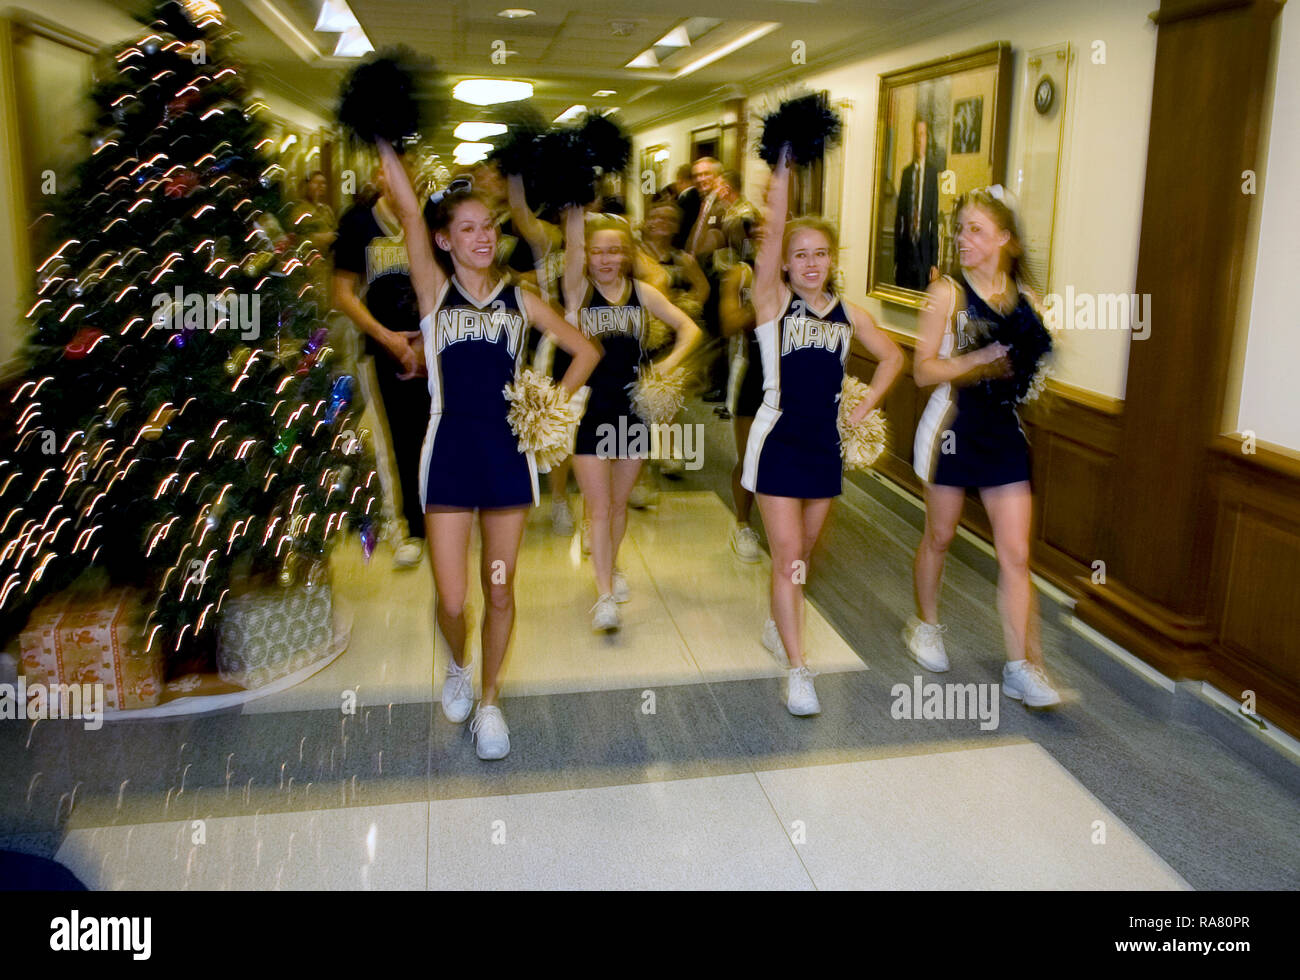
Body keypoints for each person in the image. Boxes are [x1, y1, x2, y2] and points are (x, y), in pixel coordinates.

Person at [376, 137, 599, 759]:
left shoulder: (521, 298)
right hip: (447, 452)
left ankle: (492, 701)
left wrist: (549, 404)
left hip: (506, 458)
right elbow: (411, 214)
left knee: (499, 587)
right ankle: (458, 664)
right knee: (452, 598)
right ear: (445, 241)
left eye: (487, 227)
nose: (482, 237)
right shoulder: (433, 291)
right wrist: (386, 142)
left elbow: (586, 351)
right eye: (466, 229)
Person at [744, 145, 904, 715]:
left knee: (803, 555)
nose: (810, 264)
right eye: (800, 255)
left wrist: (860, 412)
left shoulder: (850, 314)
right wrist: (782, 174)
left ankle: (775, 620)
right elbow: (769, 238)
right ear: (786, 264)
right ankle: (798, 667)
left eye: (820, 254)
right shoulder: (774, 302)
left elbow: (892, 359)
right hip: (776, 444)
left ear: (832, 260)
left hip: (823, 447)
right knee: (788, 554)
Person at [908, 187, 1061, 708]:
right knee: (941, 536)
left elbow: (1028, 372)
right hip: (950, 426)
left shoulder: (1030, 303)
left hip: (1001, 434)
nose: (962, 238)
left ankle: (1022, 666)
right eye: (960, 229)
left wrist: (1026, 380)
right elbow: (922, 370)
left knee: (1016, 555)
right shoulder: (947, 294)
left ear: (1004, 239)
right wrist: (979, 360)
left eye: (975, 229)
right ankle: (926, 624)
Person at [562, 205, 701, 631]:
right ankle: (604, 594)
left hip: (632, 409)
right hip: (589, 408)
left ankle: (613, 566)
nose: (606, 259)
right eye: (597, 252)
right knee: (598, 506)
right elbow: (569, 248)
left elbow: (690, 329)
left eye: (614, 251)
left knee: (619, 504)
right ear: (586, 255)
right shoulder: (577, 292)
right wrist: (574, 200)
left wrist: (669, 363)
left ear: (625, 254)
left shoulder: (644, 292)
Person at [332, 160, 435, 569]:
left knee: (436, 431)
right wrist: (387, 336)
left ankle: (439, 517)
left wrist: (427, 339)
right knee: (398, 438)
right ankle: (406, 526)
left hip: (431, 342)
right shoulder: (358, 222)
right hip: (384, 344)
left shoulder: (430, 218)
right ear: (378, 179)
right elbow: (343, 292)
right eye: (390, 175)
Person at [718, 216, 763, 563]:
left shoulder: (801, 273)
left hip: (794, 377)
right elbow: (729, 323)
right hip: (755, 373)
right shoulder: (742, 274)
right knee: (749, 456)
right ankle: (742, 523)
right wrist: (759, 302)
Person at [894, 118, 939, 291]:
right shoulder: (906, 174)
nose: (919, 139)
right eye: (916, 135)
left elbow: (934, 221)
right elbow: (899, 219)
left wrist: (934, 263)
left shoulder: (932, 174)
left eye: (922, 134)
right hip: (905, 252)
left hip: (924, 254)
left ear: (927, 138)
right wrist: (896, 259)